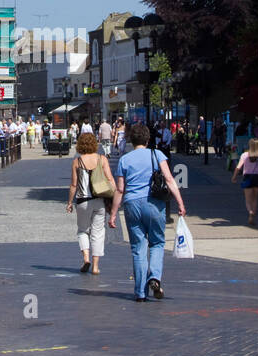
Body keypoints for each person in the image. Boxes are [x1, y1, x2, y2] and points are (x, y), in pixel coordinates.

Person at [108, 123, 186, 302]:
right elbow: (169, 179)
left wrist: (113, 214)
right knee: (157, 242)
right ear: (148, 139)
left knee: (138, 249)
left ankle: (140, 293)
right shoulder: (156, 154)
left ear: (130, 140)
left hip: (131, 204)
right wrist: (180, 203)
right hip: (154, 203)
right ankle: (155, 277)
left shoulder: (124, 160)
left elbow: (120, 189)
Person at [68, 132, 112, 275]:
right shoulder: (102, 159)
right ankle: (95, 266)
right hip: (99, 199)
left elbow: (74, 185)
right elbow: (110, 180)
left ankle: (86, 258)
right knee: (98, 232)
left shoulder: (77, 162)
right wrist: (114, 197)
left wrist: (69, 202)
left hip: (82, 200)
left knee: (82, 230)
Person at [232, 137, 258, 226]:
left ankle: (250, 211)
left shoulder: (244, 155)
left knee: (248, 199)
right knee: (255, 198)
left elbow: (238, 167)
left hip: (247, 177)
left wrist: (234, 177)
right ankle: (253, 215)